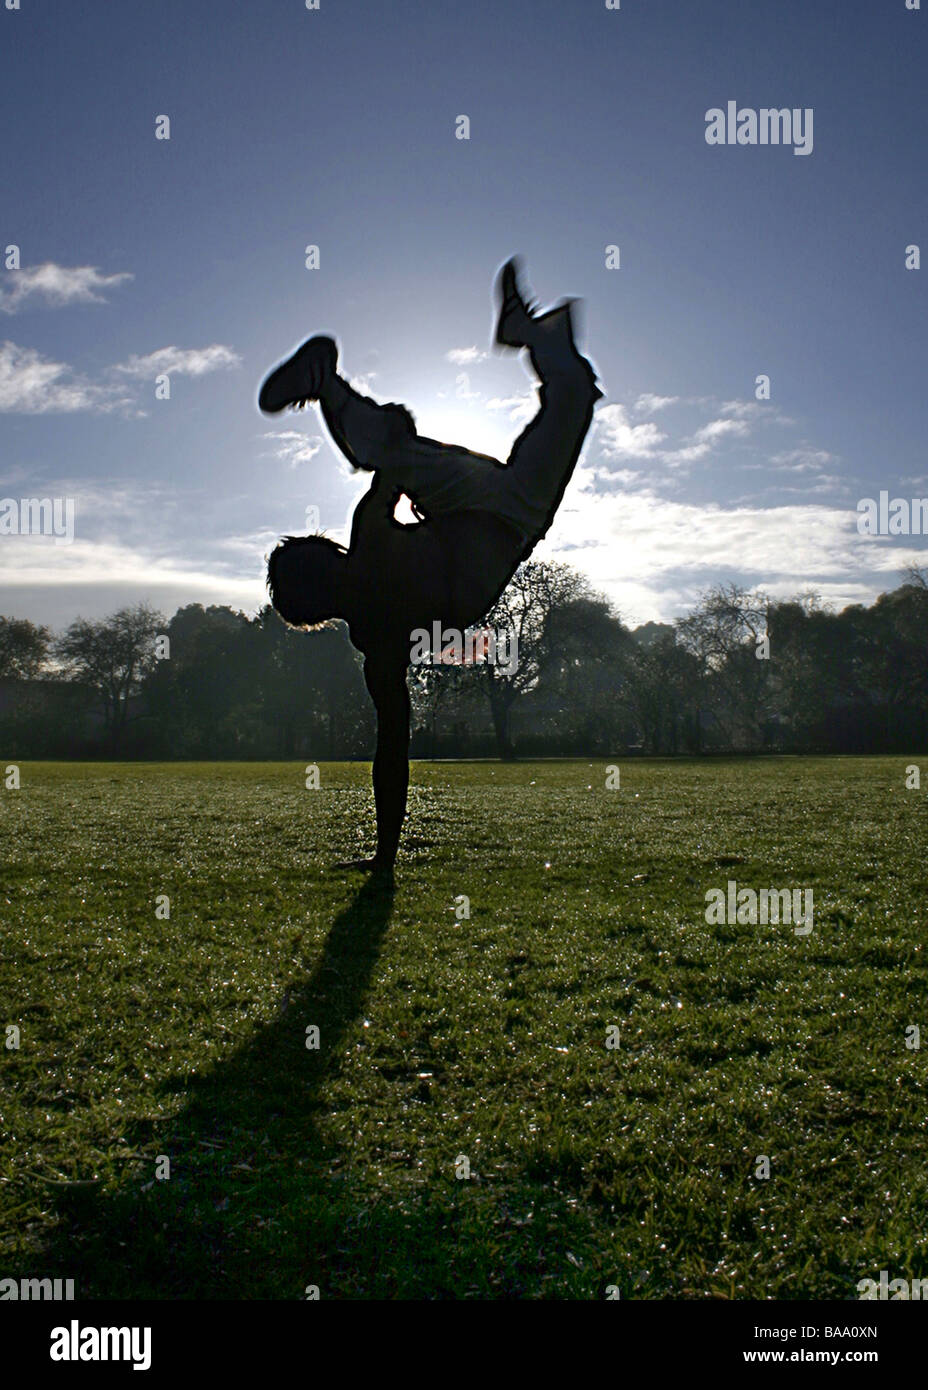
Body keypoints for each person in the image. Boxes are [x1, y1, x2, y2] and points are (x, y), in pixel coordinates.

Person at [260, 258, 603, 872]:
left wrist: (384, 858)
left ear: (315, 615)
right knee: (568, 395)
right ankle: (522, 335)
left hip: (497, 516)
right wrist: (388, 431)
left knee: (397, 451)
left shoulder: (377, 636)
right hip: (499, 508)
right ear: (328, 560)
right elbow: (390, 750)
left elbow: (392, 749)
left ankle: (328, 384)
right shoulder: (372, 574)